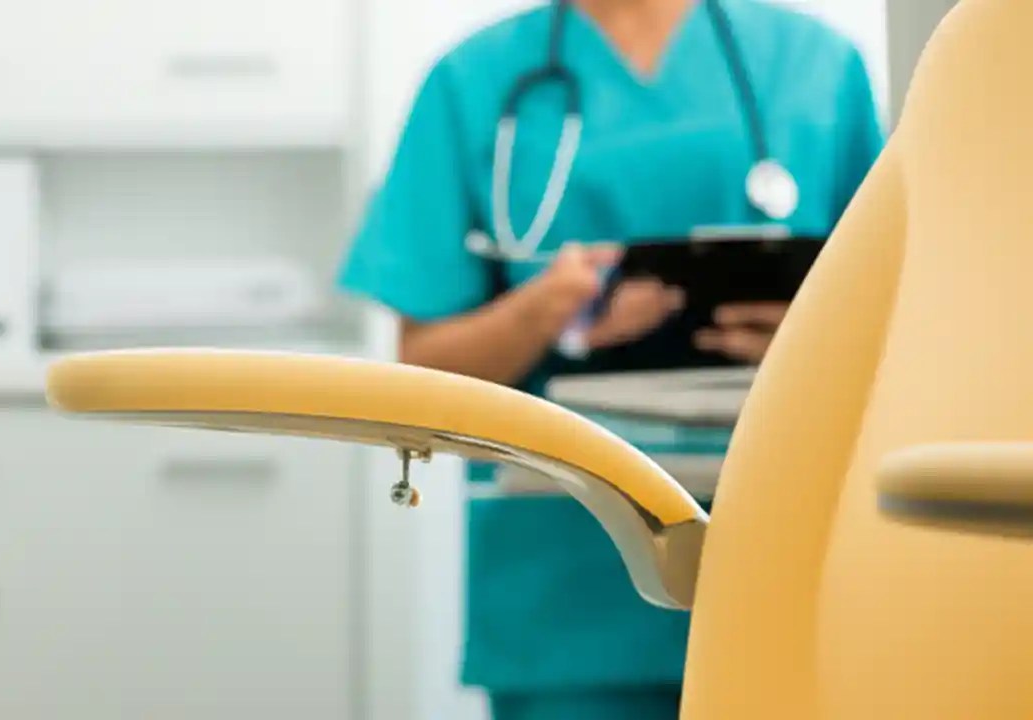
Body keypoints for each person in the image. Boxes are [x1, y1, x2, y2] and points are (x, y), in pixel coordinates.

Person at [338, 0, 884, 717]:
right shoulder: (473, 79)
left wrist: (812, 334)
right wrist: (541, 312)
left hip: (784, 559)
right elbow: (422, 370)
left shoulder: (817, 65)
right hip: (564, 585)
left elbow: (897, 333)